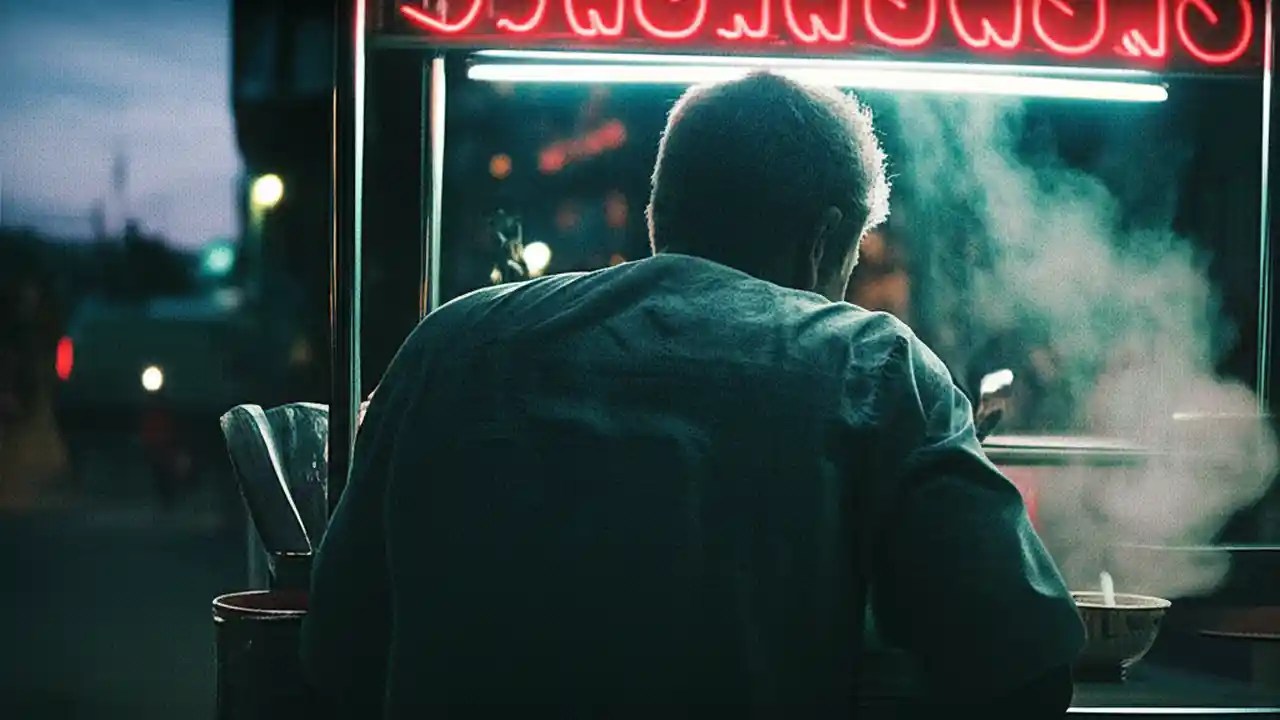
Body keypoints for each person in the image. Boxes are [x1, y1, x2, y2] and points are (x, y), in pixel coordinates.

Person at [303, 72, 1085, 716]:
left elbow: (336, 645)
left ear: (657, 214)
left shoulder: (451, 341)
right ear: (822, 240)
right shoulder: (871, 362)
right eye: (849, 259)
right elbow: (1026, 661)